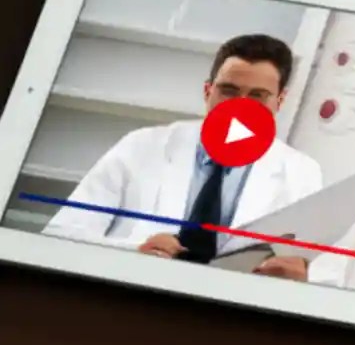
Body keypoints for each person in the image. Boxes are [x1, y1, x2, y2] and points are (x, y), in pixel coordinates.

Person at [43, 34, 325, 283]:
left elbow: (326, 272)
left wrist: (302, 276)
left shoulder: (302, 173)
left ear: (279, 102)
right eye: (228, 91)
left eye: (258, 96)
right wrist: (134, 251)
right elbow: (59, 234)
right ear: (207, 91)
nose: (241, 106)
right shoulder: (141, 145)